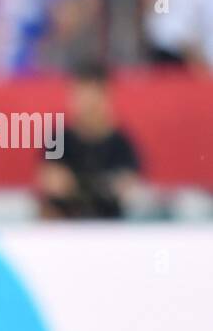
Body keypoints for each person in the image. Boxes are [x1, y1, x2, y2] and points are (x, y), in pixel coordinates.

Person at [38, 63, 143, 219]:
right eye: (81, 95)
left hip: (110, 228)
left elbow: (129, 185)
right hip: (65, 226)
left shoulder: (121, 143)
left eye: (93, 96)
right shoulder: (58, 139)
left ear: (106, 97)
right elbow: (49, 180)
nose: (87, 103)